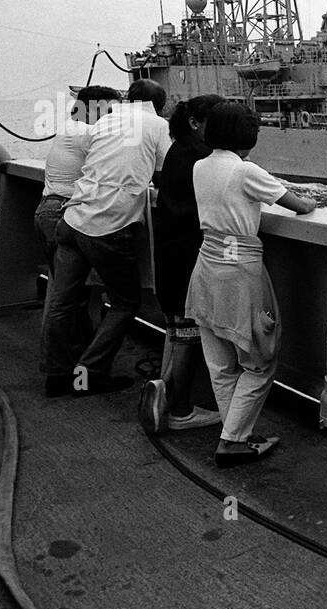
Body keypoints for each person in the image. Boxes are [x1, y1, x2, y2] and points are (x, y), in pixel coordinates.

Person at [182, 102, 316, 466]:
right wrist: (311, 202)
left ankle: (236, 433)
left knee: (221, 364)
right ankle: (231, 441)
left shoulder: (198, 166)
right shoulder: (246, 171)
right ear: (249, 136)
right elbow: (299, 206)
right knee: (259, 362)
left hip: (206, 265)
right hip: (240, 270)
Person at [40, 79, 170, 397]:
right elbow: (167, 172)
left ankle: (56, 376)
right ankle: (89, 374)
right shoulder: (156, 124)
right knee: (125, 302)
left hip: (72, 219)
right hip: (107, 226)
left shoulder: (105, 121)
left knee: (61, 300)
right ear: (160, 105)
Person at [139, 93, 225, 434]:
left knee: (177, 331)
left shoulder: (178, 151)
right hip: (190, 255)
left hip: (169, 255)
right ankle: (181, 409)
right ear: (196, 123)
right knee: (189, 334)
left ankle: (164, 391)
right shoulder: (202, 157)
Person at [35, 86, 122, 355]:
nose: (112, 116)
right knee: (70, 299)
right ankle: (71, 364)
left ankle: (67, 364)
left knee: (67, 297)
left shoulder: (70, 129)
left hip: (51, 210)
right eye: (109, 109)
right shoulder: (86, 133)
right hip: (63, 212)